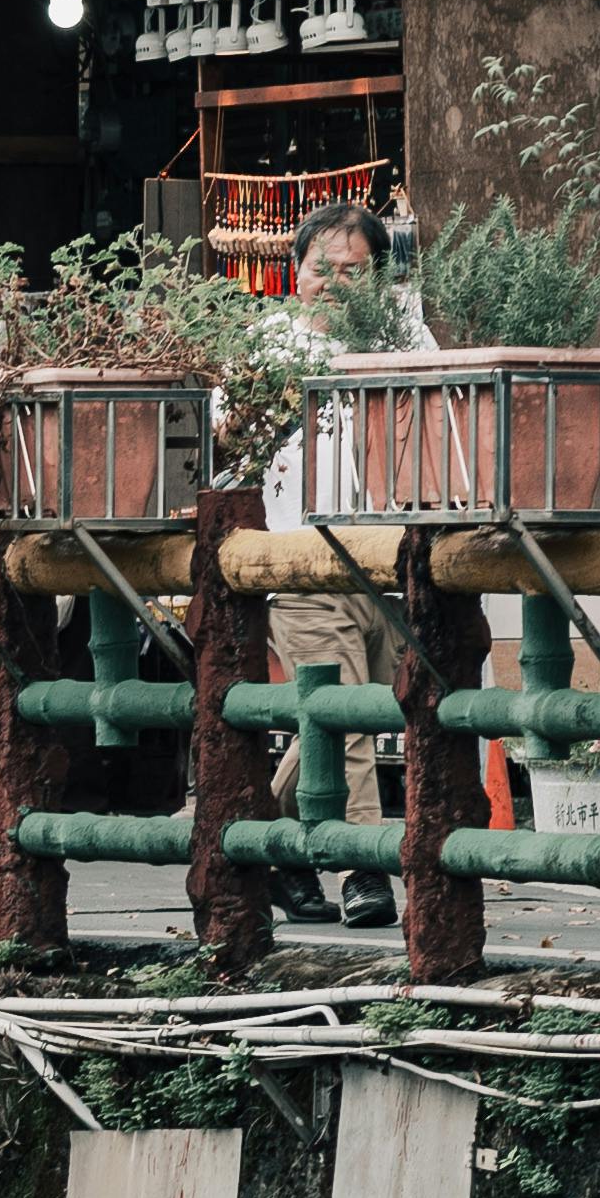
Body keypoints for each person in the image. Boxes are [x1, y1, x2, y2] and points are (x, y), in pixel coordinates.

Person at [259, 198, 401, 927]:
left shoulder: (404, 334)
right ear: (297, 271)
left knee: (346, 721)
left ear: (379, 275)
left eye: (356, 269)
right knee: (344, 724)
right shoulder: (264, 343)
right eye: (325, 268)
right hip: (302, 562)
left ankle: (268, 840)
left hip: (387, 559)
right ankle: (364, 871)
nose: (339, 281)